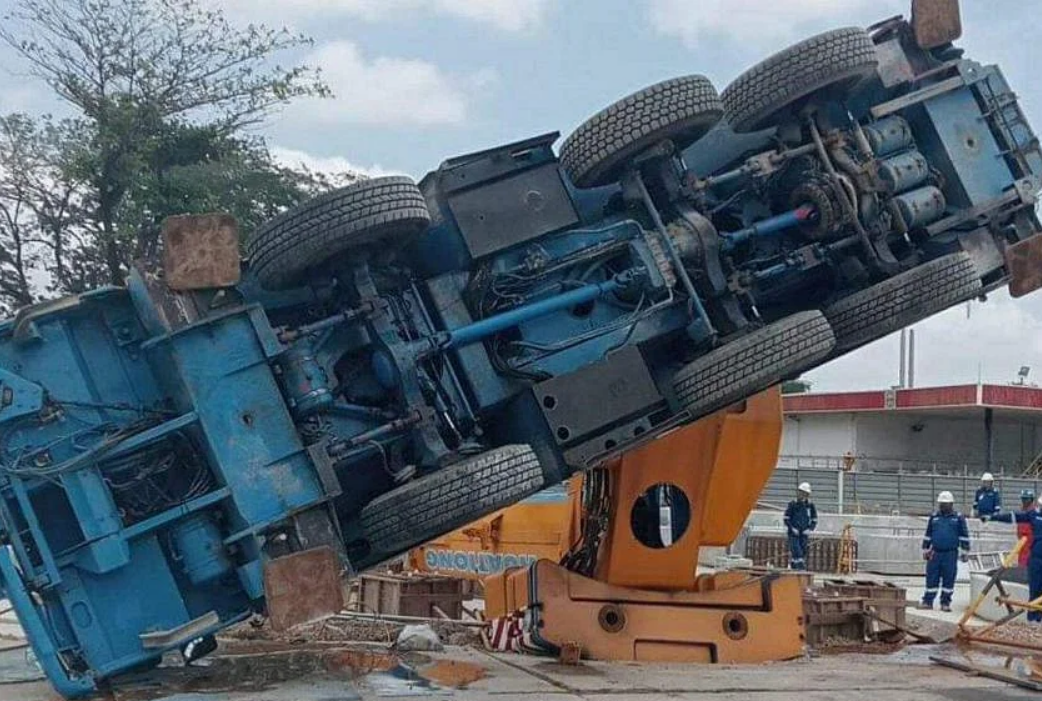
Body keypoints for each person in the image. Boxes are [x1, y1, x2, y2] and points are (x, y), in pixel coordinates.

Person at [988, 495, 1042, 622]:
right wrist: (993, 517)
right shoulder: (1034, 515)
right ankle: (1034, 620)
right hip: (1036, 559)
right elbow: (1014, 517)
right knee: (1035, 590)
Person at [919, 491, 970, 612]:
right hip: (935, 553)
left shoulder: (958, 518)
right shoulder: (934, 517)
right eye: (941, 504)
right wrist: (925, 549)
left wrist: (965, 551)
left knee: (949, 578)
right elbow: (928, 534)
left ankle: (945, 603)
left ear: (951, 504)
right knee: (932, 577)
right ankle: (928, 601)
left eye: (945, 504)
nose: (942, 506)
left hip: (950, 553)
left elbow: (964, 536)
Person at [784, 482, 817, 571]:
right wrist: (792, 528)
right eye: (800, 492)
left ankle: (793, 567)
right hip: (794, 533)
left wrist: (810, 529)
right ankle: (801, 569)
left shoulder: (810, 505)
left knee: (802, 552)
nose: (801, 494)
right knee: (797, 551)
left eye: (804, 493)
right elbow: (786, 518)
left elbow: (814, 519)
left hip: (804, 533)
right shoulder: (793, 504)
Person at [1017, 490, 1036, 568]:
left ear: (1031, 500)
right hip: (1022, 546)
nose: (1024, 501)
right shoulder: (1022, 513)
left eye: (1026, 499)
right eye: (1023, 499)